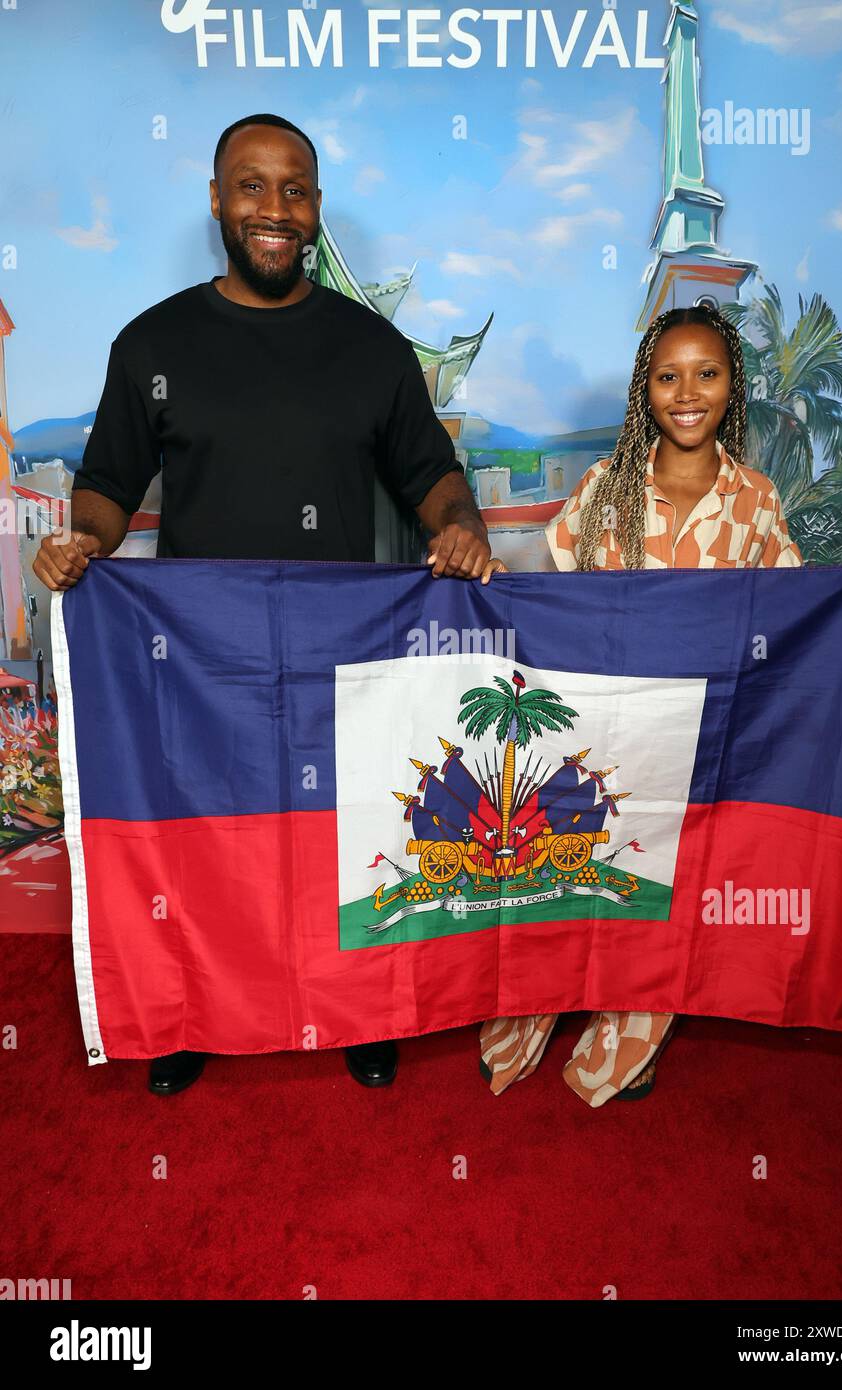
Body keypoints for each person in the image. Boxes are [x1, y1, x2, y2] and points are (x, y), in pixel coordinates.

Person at [34, 112, 503, 1097]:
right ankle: (191, 1013)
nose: (273, 209)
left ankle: (360, 1009)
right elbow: (108, 486)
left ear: (316, 208)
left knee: (346, 837)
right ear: (216, 199)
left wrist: (460, 527)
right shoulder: (151, 343)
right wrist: (85, 541)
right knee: (211, 841)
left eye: (294, 190)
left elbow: (433, 478)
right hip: (199, 661)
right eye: (251, 186)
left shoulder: (371, 348)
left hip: (348, 657)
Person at [479, 302, 842, 1107]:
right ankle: (523, 1023)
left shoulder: (755, 500)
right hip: (597, 734)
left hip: (701, 749)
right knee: (566, 878)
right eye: (667, 376)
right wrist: (489, 584)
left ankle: (622, 1045)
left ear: (731, 386)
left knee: (662, 898)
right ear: (644, 390)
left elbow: (795, 610)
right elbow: (544, 591)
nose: (686, 393)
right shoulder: (604, 488)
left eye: (705, 374)